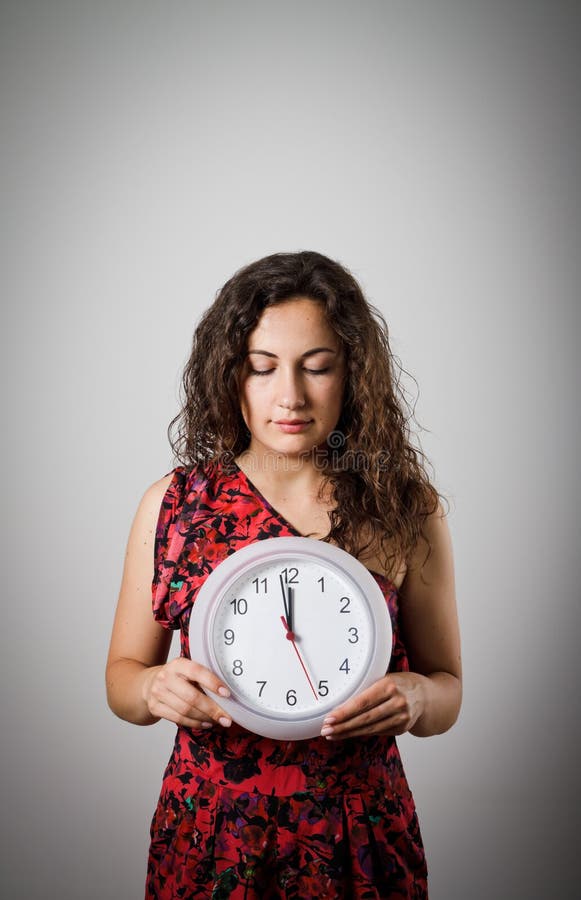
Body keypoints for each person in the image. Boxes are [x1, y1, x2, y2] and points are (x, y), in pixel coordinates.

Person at [106, 250, 462, 899]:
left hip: (357, 832)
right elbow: (121, 681)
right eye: (262, 368)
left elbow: (447, 691)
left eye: (317, 367)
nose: (290, 395)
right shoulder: (173, 504)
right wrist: (153, 687)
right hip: (213, 829)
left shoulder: (404, 508)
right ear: (229, 374)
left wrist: (416, 698)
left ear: (353, 373)